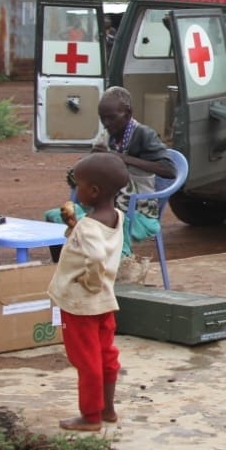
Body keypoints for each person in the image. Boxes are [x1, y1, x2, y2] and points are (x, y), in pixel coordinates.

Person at [48, 152, 130, 432]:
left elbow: (94, 257)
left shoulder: (88, 227)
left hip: (79, 303)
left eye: (79, 185)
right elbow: (100, 249)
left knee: (86, 360)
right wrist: (74, 228)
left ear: (93, 191)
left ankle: (90, 416)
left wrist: (91, 284)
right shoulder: (115, 217)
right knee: (106, 353)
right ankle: (108, 409)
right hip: (104, 301)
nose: (76, 190)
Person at [44, 87, 175, 259]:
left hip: (136, 210)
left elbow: (169, 170)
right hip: (103, 205)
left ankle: (104, 272)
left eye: (111, 117)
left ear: (128, 114)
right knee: (55, 217)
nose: (106, 123)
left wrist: (118, 157)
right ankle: (63, 266)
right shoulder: (107, 136)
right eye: (102, 118)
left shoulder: (144, 135)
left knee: (97, 229)